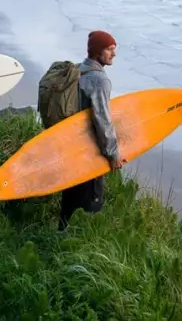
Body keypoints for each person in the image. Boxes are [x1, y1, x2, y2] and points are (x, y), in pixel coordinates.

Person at [59, 30, 126, 230]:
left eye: (114, 49)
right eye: (109, 50)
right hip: (88, 147)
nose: (113, 54)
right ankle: (81, 243)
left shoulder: (79, 69)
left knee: (70, 193)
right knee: (92, 198)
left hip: (70, 143)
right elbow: (102, 120)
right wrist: (113, 153)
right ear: (98, 52)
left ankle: (61, 233)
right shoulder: (100, 80)